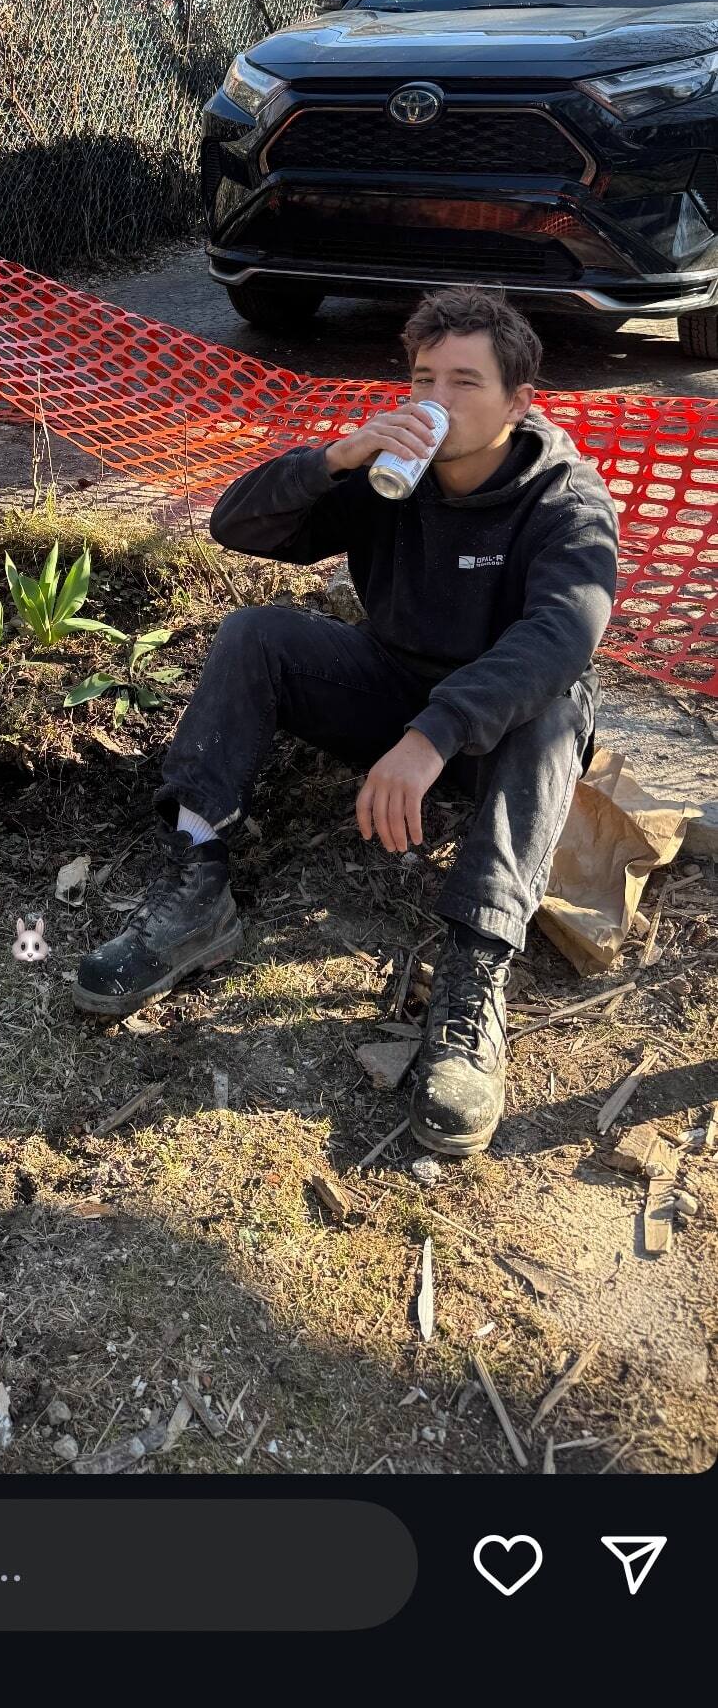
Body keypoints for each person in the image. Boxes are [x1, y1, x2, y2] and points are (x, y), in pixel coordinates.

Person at [72, 285, 619, 1160]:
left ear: (519, 403)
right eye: (422, 377)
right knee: (257, 632)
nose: (436, 401)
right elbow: (236, 525)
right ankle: (195, 877)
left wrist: (431, 737)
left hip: (492, 734)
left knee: (553, 708)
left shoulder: (565, 502)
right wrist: (333, 457)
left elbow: (558, 638)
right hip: (390, 686)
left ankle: (472, 979)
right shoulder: (386, 475)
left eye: (465, 383)